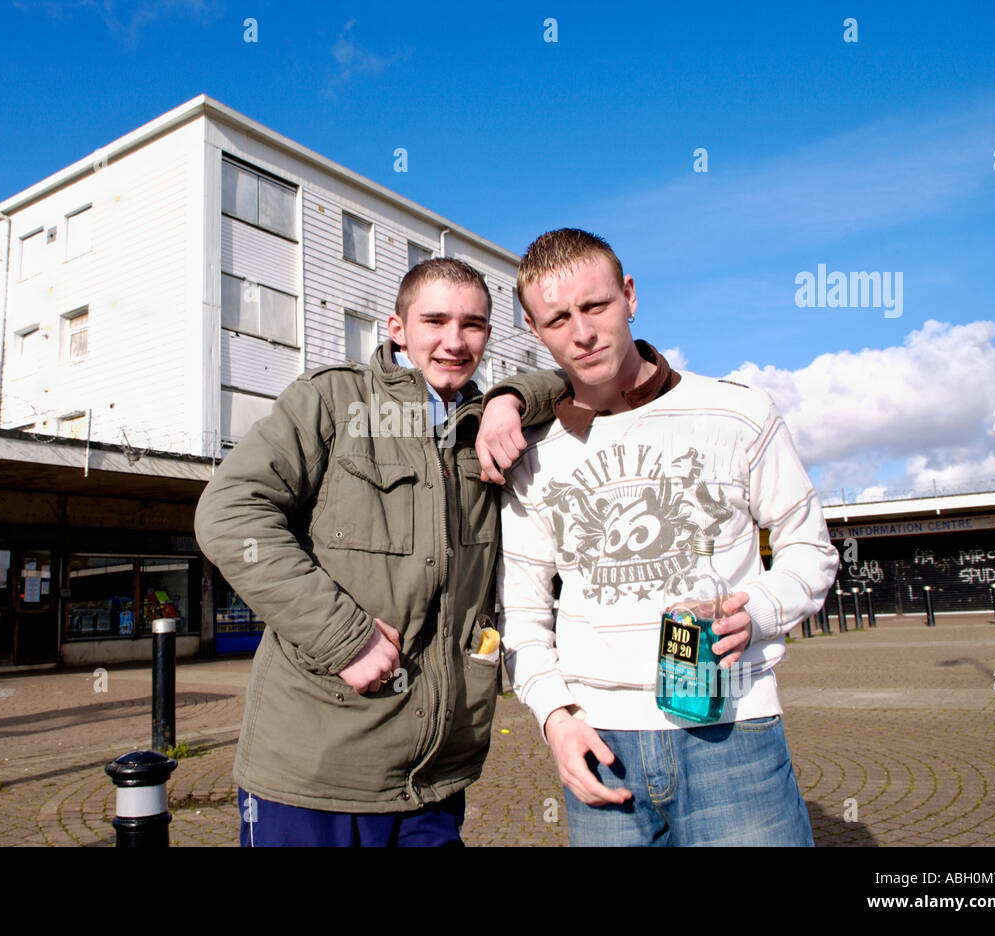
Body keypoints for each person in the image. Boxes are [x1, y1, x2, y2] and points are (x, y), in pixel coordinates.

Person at [194, 257, 564, 846]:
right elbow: (229, 513)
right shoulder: (333, 401)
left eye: (472, 325)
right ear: (397, 328)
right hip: (315, 774)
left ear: (490, 336)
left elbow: (586, 373)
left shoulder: (484, 425)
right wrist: (342, 635)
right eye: (434, 321)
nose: (453, 341)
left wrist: (514, 394)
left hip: (437, 778)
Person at [486, 228, 838, 845]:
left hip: (733, 730)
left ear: (629, 295)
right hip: (600, 742)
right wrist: (554, 718)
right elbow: (521, 609)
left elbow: (809, 548)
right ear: (533, 328)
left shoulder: (738, 412)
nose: (582, 333)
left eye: (595, 306)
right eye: (558, 318)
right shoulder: (533, 452)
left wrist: (757, 610)